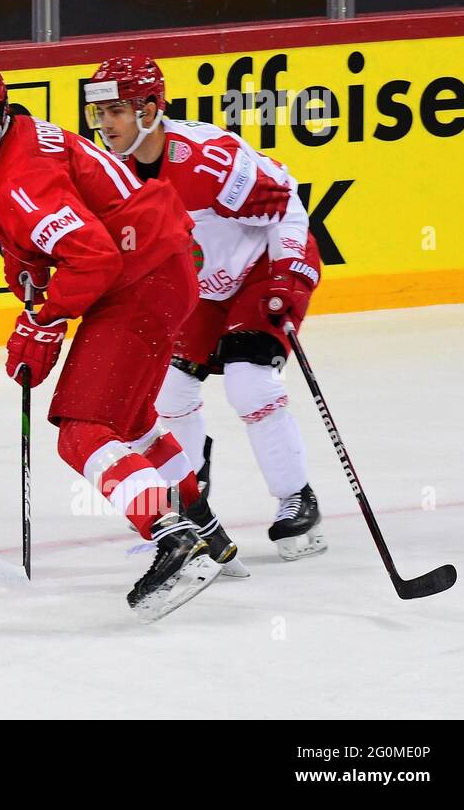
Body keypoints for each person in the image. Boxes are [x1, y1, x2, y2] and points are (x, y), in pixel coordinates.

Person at [0, 60, 241, 622]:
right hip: (162, 267)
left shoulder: (23, 174)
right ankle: (208, 532)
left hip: (140, 278)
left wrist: (43, 321)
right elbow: (56, 224)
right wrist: (26, 262)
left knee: (81, 432)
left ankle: (172, 537)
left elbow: (93, 256)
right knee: (134, 421)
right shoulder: (14, 148)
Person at [85, 56, 325, 561]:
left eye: (117, 111)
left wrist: (288, 274)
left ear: (151, 109)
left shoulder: (208, 159)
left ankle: (295, 497)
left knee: (249, 380)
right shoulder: (106, 174)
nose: (105, 124)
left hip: (258, 272)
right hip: (195, 291)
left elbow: (284, 203)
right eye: (98, 112)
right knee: (169, 393)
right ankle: (190, 508)